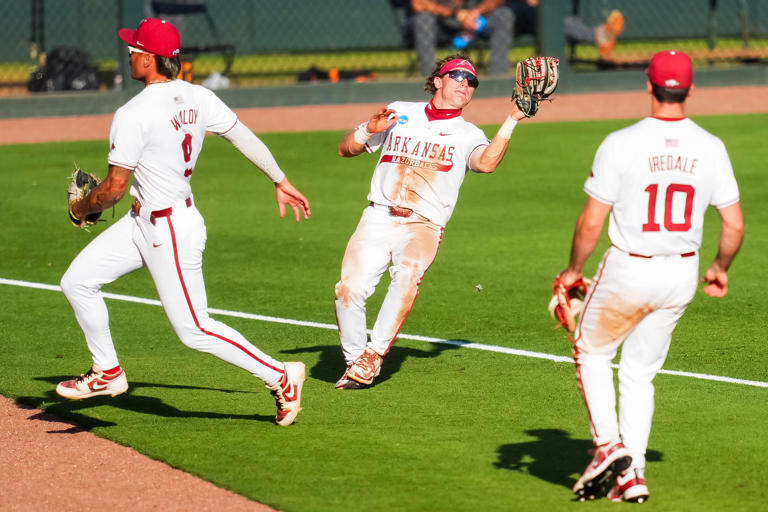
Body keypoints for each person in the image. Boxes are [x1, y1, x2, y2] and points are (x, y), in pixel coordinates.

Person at [57, 18, 311, 427]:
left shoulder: (133, 112)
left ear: (150, 59)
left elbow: (114, 189)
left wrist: (82, 208)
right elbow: (243, 136)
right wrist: (280, 179)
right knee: (77, 281)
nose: (129, 55)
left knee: (194, 329)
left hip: (170, 230)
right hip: (143, 221)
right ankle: (107, 372)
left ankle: (280, 375)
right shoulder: (198, 97)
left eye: (134, 49)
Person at [557, 50, 744, 502]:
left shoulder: (621, 142)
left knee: (591, 351)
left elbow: (589, 223)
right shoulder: (710, 146)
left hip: (629, 267)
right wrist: (719, 269)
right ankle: (632, 473)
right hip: (681, 272)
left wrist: (573, 270)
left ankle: (607, 447)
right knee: (640, 373)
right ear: (691, 89)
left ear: (649, 85)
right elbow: (735, 225)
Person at [333, 55, 532, 389]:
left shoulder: (468, 133)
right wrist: (369, 129)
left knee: (407, 277)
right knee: (347, 292)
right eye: (457, 76)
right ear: (438, 80)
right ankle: (355, 360)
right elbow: (345, 149)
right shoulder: (399, 111)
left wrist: (511, 120)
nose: (465, 84)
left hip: (423, 225)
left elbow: (485, 164)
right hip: (378, 215)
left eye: (472, 82)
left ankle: (373, 355)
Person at [408, 1, 513, 76]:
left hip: (477, 22)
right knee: (424, 20)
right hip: (441, 25)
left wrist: (475, 12)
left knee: (504, 14)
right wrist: (456, 14)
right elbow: (418, 3)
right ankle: (431, 81)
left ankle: (499, 78)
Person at [507, 0, 625, 60]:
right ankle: (599, 34)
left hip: (529, 16)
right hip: (506, 15)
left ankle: (600, 34)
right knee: (543, 15)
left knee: (551, 17)